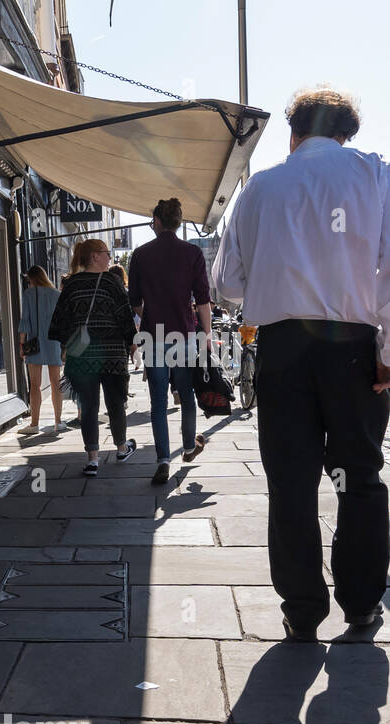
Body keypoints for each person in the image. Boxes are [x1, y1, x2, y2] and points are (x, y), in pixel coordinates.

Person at [212, 86, 390, 642]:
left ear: (293, 133)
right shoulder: (376, 177)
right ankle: (361, 604)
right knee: (359, 476)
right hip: (355, 346)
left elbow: (226, 286)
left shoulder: (262, 187)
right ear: (346, 134)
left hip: (284, 349)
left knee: (290, 482)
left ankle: (302, 610)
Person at [128, 197, 211, 485]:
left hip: (154, 335)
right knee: (187, 395)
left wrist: (151, 311)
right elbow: (203, 301)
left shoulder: (140, 254)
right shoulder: (192, 253)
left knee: (158, 401)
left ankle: (163, 459)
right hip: (184, 334)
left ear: (157, 222)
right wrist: (208, 335)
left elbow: (135, 302)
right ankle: (189, 446)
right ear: (177, 222)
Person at [48, 239, 137, 476]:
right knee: (115, 403)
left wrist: (67, 346)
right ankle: (121, 448)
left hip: (82, 356)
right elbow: (125, 316)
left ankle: (93, 460)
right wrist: (132, 342)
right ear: (95, 256)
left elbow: (59, 322)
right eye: (107, 253)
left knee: (88, 406)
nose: (110, 257)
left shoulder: (72, 284)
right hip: (112, 354)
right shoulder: (112, 281)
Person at [18, 266, 64, 434]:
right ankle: (58, 422)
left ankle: (34, 424)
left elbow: (25, 321)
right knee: (55, 382)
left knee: (35, 385)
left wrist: (21, 344)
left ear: (32, 278)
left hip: (34, 343)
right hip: (53, 342)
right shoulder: (57, 294)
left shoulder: (29, 294)